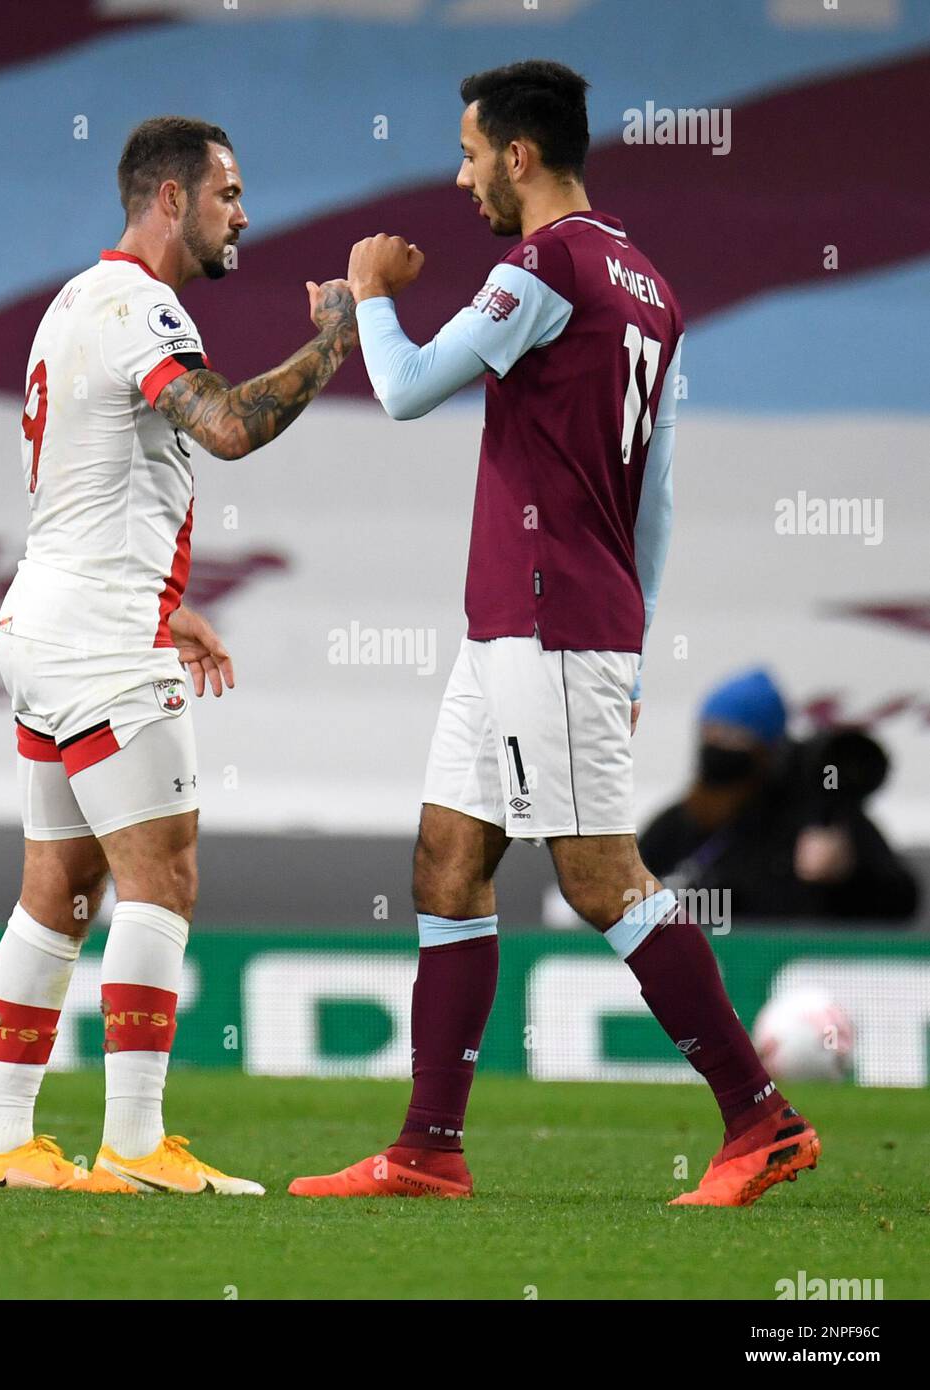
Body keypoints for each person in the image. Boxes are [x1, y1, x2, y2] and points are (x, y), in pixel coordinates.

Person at [289, 61, 819, 1205]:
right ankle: (429, 1145)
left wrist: (367, 295)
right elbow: (659, 494)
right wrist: (634, 635)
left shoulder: (543, 264)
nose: (462, 171)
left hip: (549, 613)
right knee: (446, 857)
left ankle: (758, 1117)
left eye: (471, 151)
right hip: (531, 623)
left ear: (518, 156)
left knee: (594, 872)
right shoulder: (650, 286)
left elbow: (407, 388)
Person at [0, 115, 358, 1194]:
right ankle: (134, 1145)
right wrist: (338, 333)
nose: (244, 214)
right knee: (163, 875)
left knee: (58, 885)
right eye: (229, 192)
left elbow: (87, 475)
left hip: (44, 625)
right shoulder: (142, 304)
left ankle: (0, 1142)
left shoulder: (71, 302)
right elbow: (225, 425)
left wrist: (161, 601)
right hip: (96, 640)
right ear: (171, 199)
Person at [641, 668, 920, 922]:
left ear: (768, 747)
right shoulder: (680, 822)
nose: (718, 746)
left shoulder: (821, 818)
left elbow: (901, 902)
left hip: (797, 970)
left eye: (734, 736)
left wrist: (847, 877)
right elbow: (625, 889)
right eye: (710, 733)